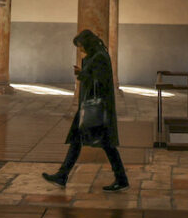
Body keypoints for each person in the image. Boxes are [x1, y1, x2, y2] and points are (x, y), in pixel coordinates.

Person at [42, 29, 129, 192]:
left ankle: (122, 179)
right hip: (90, 106)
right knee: (78, 140)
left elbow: (100, 82)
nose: (80, 49)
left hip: (96, 108)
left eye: (81, 45)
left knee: (107, 144)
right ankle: (62, 175)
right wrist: (83, 73)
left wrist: (81, 74)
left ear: (88, 43)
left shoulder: (100, 57)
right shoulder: (97, 55)